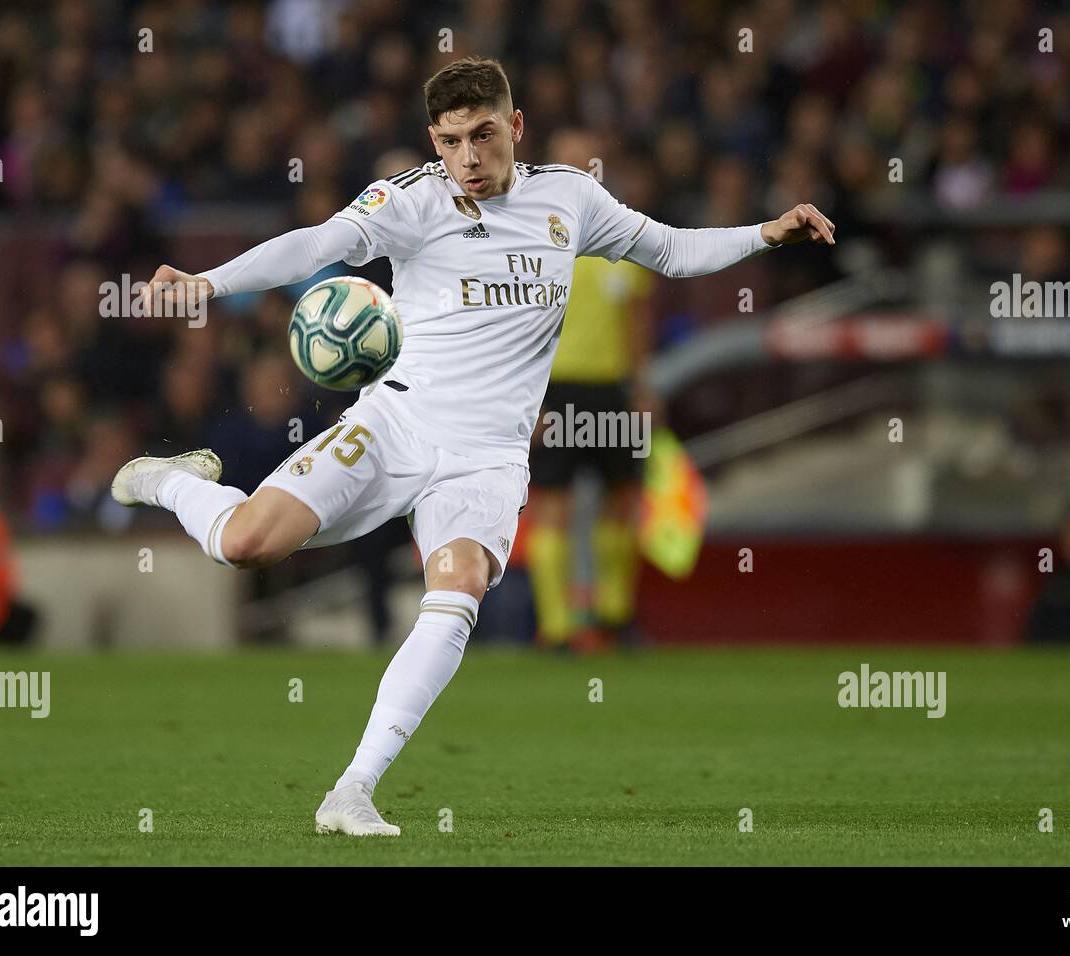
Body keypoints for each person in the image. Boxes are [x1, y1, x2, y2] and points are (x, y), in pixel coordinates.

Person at [111, 57, 835, 836]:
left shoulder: (569, 199)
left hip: (487, 455)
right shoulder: (410, 201)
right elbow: (316, 244)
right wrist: (208, 283)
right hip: (393, 425)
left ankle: (351, 790)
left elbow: (666, 249)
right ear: (434, 139)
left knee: (456, 591)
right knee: (244, 542)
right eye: (452, 141)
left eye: (483, 136)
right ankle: (170, 480)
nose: (469, 158)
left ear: (514, 127)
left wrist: (765, 232)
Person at [527, 128, 657, 651]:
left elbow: (638, 320)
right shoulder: (531, 239)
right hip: (555, 390)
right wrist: (526, 400)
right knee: (553, 504)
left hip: (612, 389)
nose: (579, 171)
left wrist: (642, 386)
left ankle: (614, 614)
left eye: (587, 163)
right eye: (569, 162)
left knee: (622, 501)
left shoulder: (622, 237)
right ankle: (557, 628)